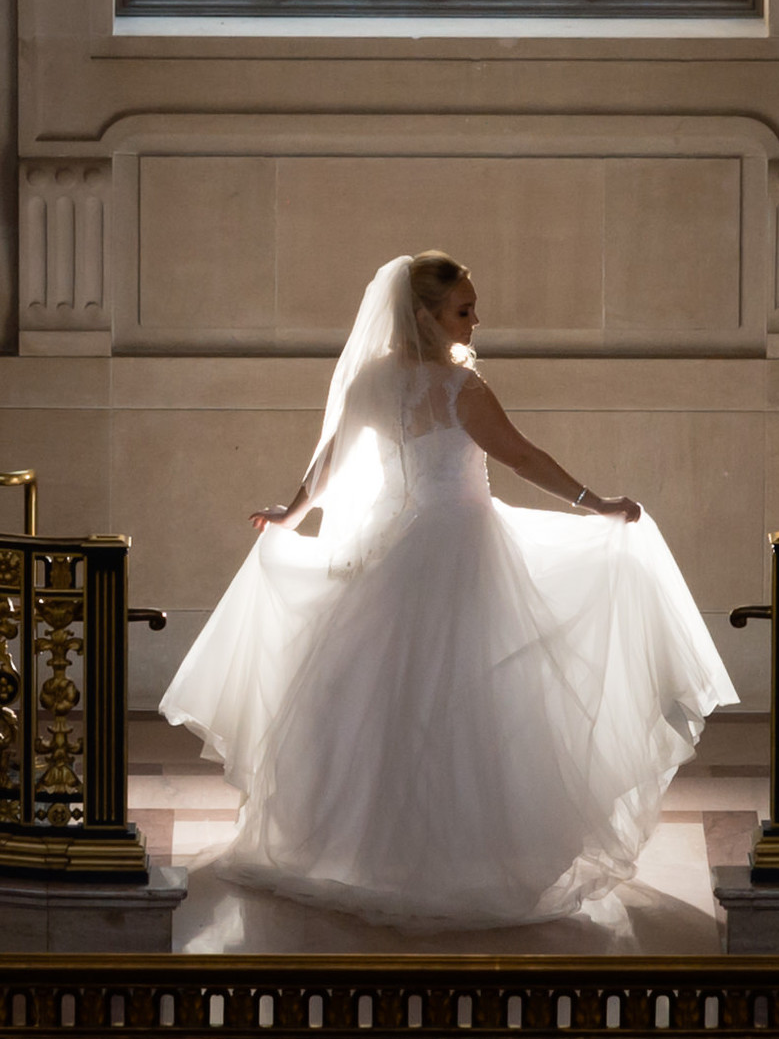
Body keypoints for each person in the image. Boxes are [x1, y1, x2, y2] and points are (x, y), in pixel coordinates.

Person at [160, 251, 734, 927]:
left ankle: (374, 846)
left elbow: (329, 458)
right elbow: (519, 455)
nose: (476, 317)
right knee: (467, 696)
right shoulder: (463, 389)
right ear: (426, 317)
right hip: (461, 546)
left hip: (392, 549)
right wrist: (594, 500)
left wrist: (293, 511)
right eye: (464, 308)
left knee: (389, 699)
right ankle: (463, 851)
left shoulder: (374, 379)